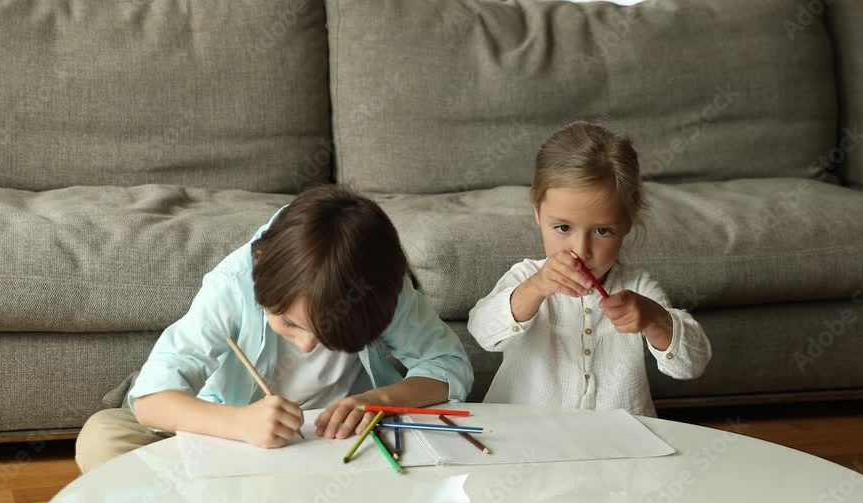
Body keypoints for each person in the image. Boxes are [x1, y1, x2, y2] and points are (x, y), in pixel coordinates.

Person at [76, 185, 473, 472]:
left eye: (330, 335)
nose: (307, 346)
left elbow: (449, 364)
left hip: (335, 447)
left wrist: (380, 398)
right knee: (102, 437)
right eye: (289, 323)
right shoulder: (234, 285)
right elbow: (151, 399)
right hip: (227, 430)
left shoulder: (379, 286)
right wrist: (239, 423)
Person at [467, 122, 711, 416]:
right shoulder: (527, 277)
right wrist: (535, 288)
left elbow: (691, 365)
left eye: (602, 231)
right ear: (537, 213)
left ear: (627, 224)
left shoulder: (638, 288)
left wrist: (654, 319)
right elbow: (483, 333)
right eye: (563, 227)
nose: (580, 251)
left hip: (615, 438)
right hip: (529, 433)